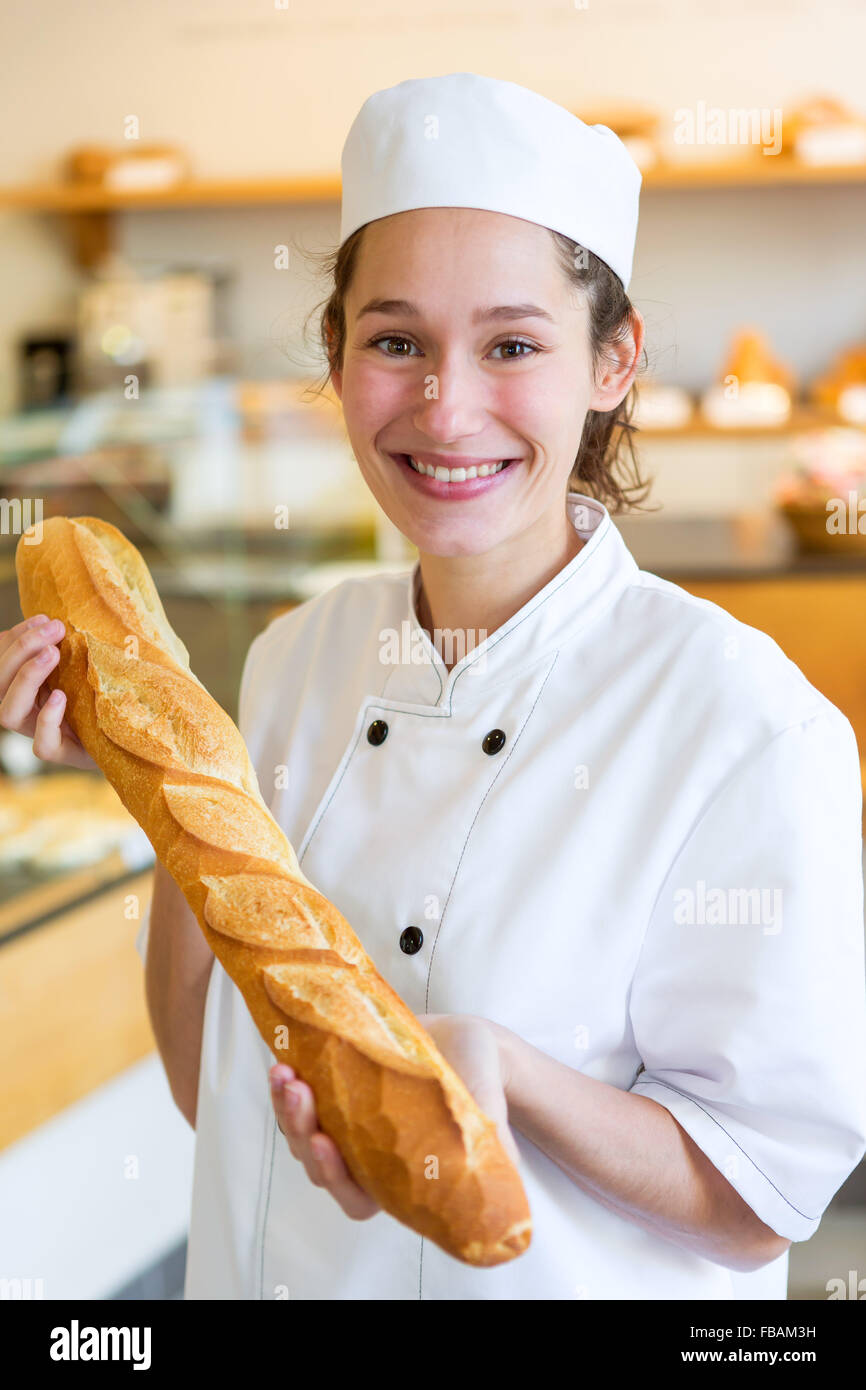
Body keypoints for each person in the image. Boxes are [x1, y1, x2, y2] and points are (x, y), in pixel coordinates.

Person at [4, 72, 865, 1301]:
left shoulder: (740, 720)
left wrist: (503, 1076)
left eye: (511, 344)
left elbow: (755, 1198)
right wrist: (163, 790)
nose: (442, 407)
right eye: (393, 341)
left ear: (611, 362)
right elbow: (215, 1087)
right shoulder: (293, 652)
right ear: (338, 357)